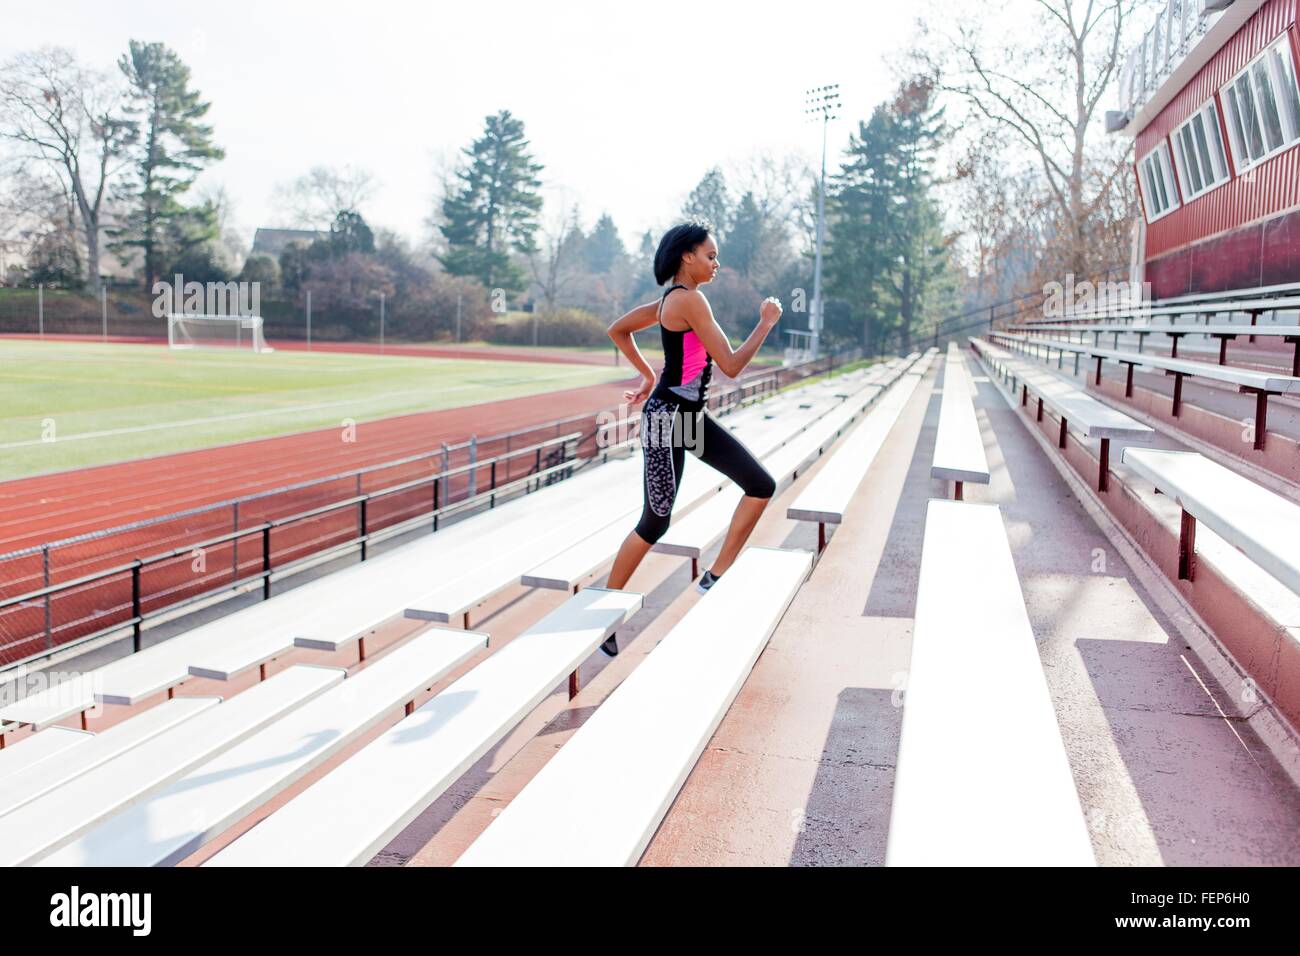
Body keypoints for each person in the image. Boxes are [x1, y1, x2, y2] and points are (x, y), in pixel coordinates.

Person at [600, 218, 782, 655]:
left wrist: (648, 375)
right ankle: (604, 616)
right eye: (711, 255)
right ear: (688, 256)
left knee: (760, 485)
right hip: (666, 421)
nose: (716, 263)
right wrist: (767, 322)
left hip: (689, 418)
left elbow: (617, 329)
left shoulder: (671, 301)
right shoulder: (690, 301)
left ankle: (715, 575)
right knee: (655, 521)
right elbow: (733, 365)